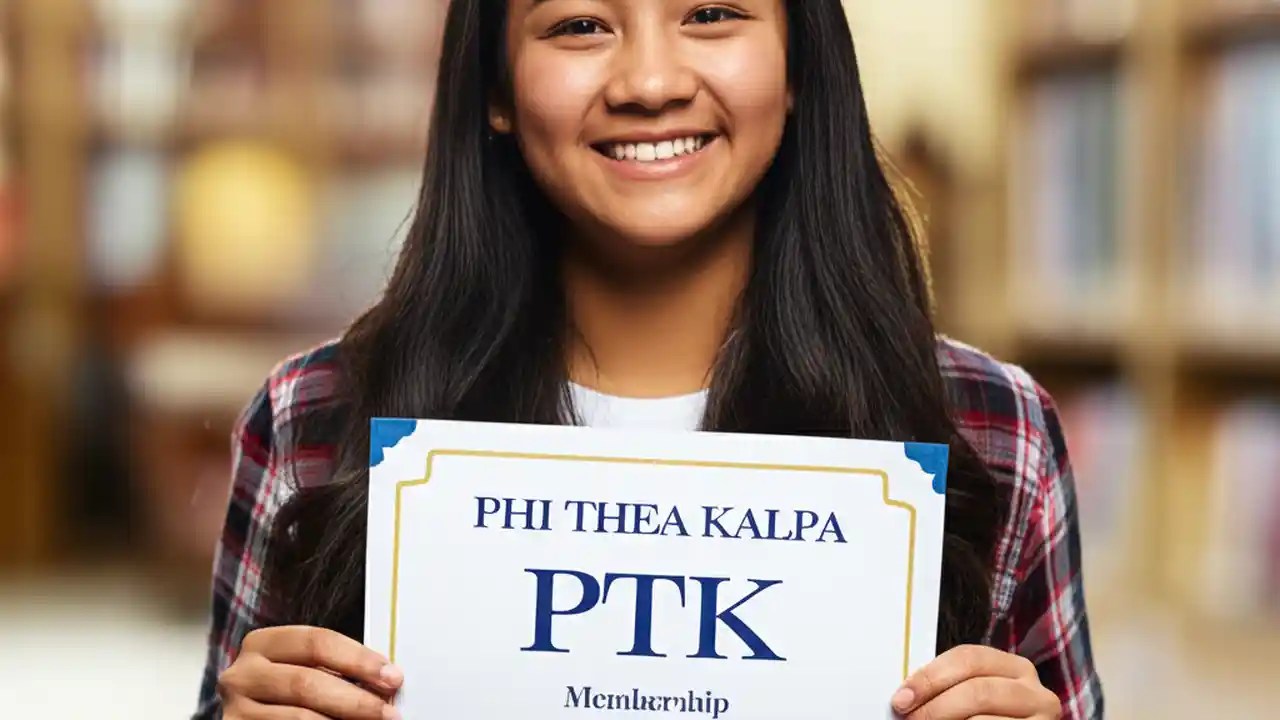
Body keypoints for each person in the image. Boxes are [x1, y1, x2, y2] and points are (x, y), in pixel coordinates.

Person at [194, 1, 1103, 718]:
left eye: (711, 13)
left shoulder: (995, 425)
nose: (650, 80)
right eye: (579, 25)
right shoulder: (311, 415)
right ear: (496, 90)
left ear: (799, 67)